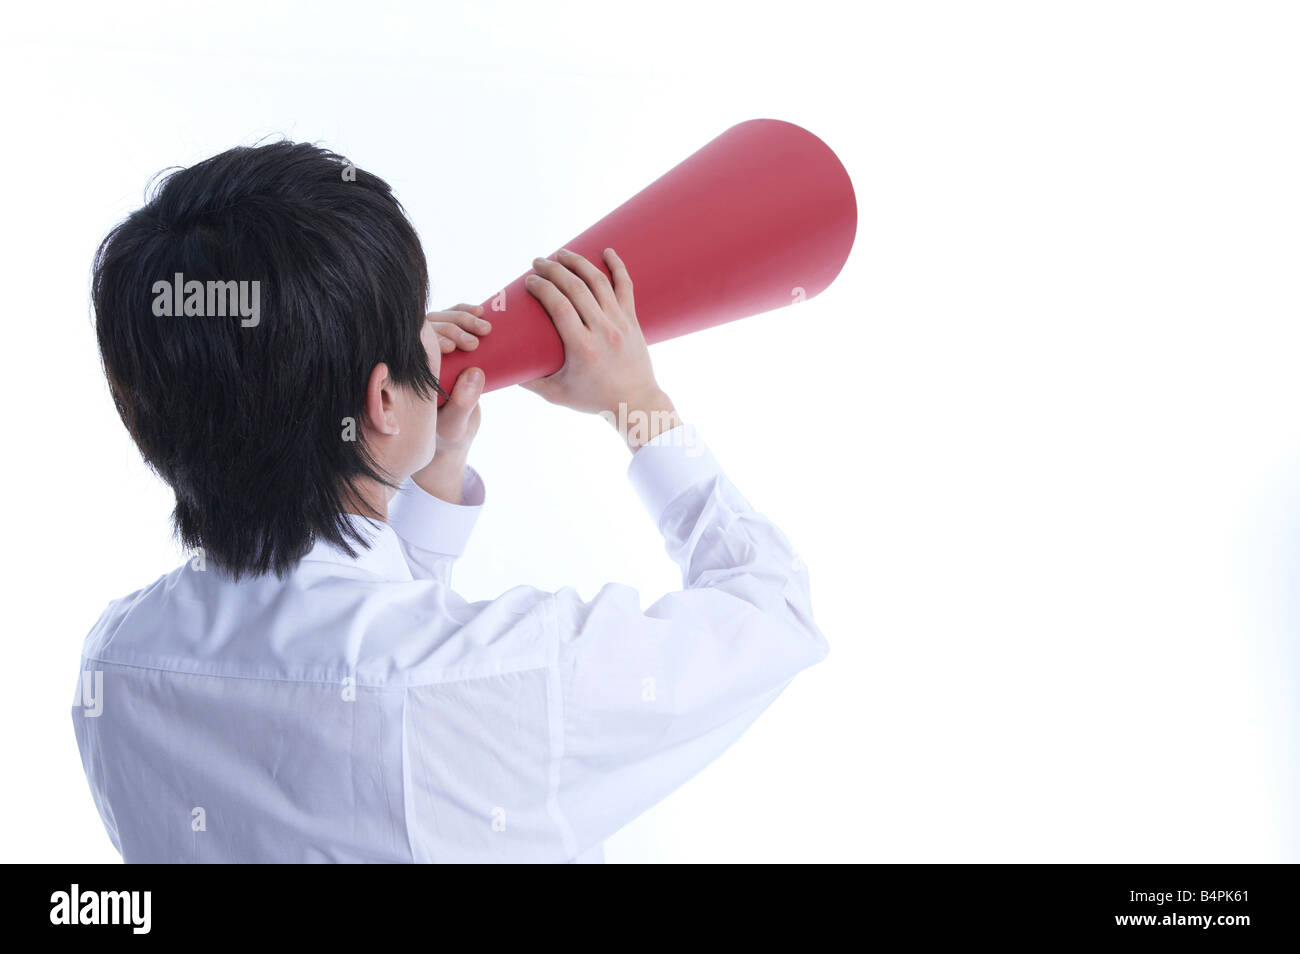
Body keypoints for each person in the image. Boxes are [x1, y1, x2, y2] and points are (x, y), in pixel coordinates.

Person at [74, 141, 827, 863]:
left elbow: (360, 675)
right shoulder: (520, 679)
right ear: (380, 396)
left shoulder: (115, 662)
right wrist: (637, 401)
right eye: (413, 335)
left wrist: (416, 460)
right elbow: (775, 613)